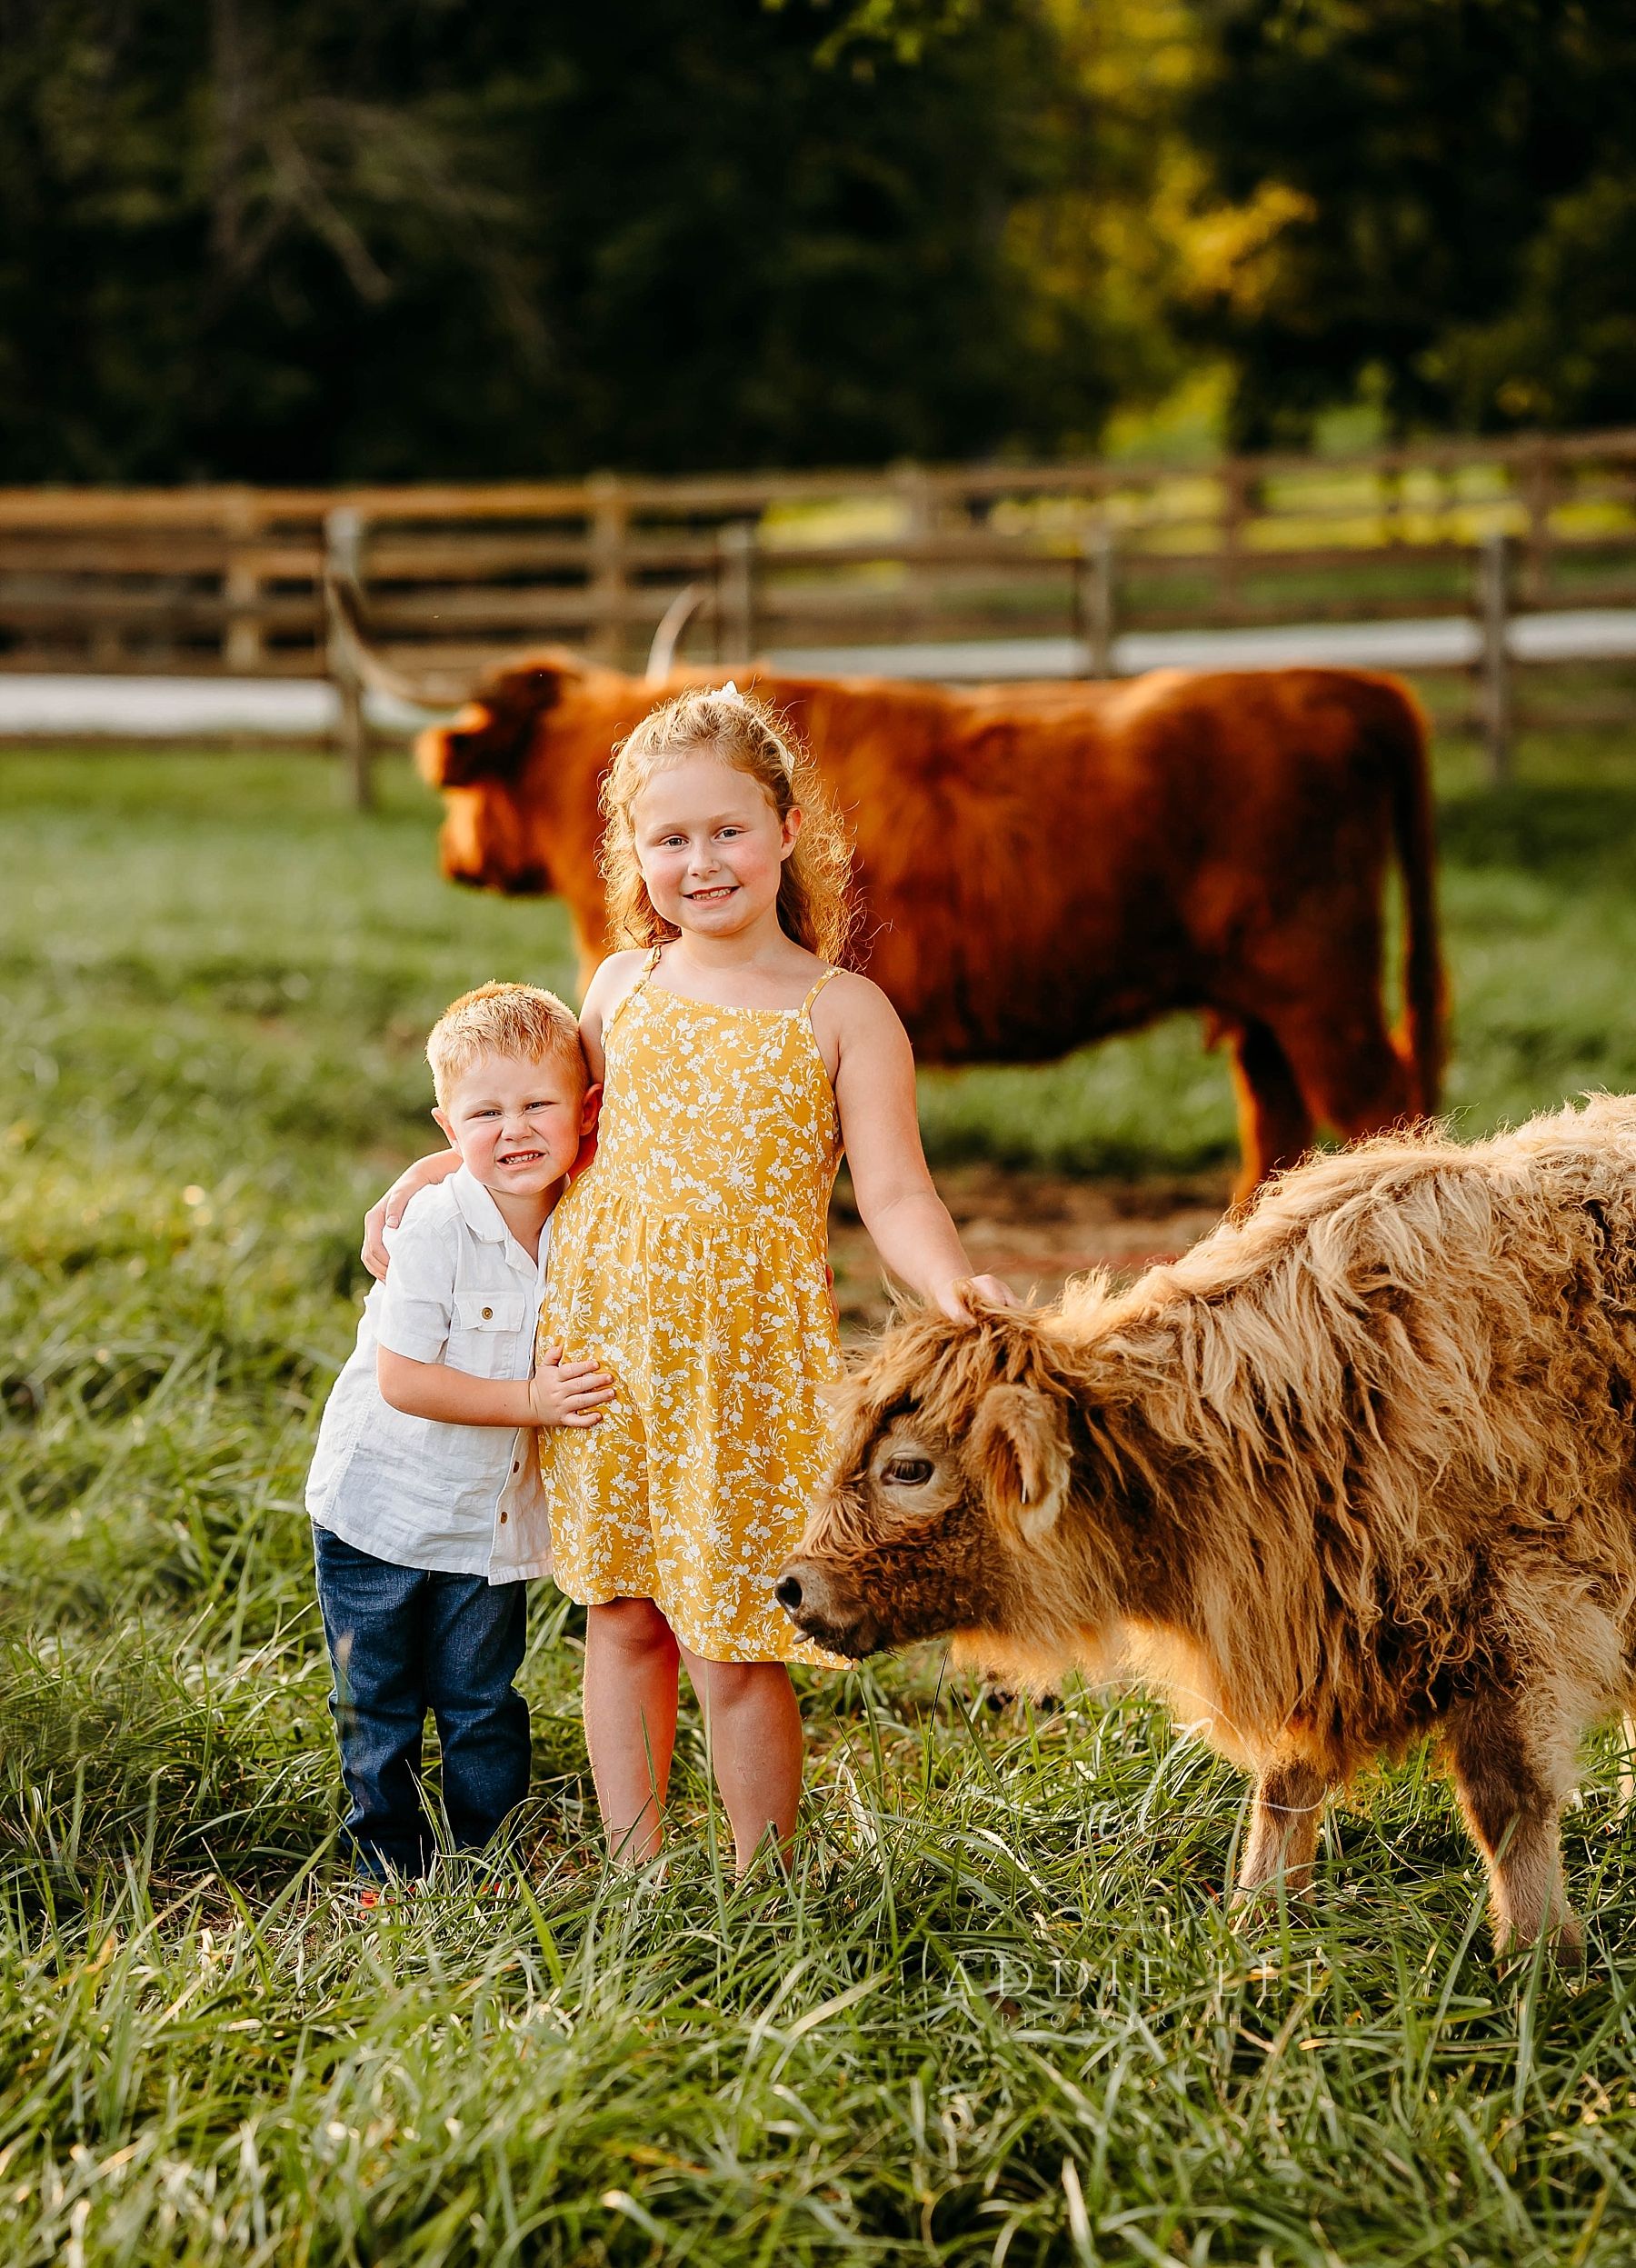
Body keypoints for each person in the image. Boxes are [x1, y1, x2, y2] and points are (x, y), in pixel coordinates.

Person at [363, 686, 1012, 1876]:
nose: (700, 861)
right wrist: (433, 1169)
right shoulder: (619, 989)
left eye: (727, 830)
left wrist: (958, 1290)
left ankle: (763, 1890)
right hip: (604, 1361)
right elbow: (553, 1140)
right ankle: (638, 1872)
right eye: (670, 838)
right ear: (632, 854)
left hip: (744, 1370)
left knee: (730, 1640)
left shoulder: (843, 1012)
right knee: (620, 1614)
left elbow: (899, 1192)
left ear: (787, 829)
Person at [309, 982, 612, 1891]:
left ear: (586, 1112)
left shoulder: (585, 1214)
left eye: (537, 1105)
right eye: (486, 1112)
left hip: (485, 1526)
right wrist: (533, 1399)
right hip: (380, 1512)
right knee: (378, 1705)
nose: (514, 1129)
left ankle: (490, 1863)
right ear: (449, 1124)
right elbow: (404, 1380)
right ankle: (388, 1868)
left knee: (483, 1702)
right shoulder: (438, 1225)